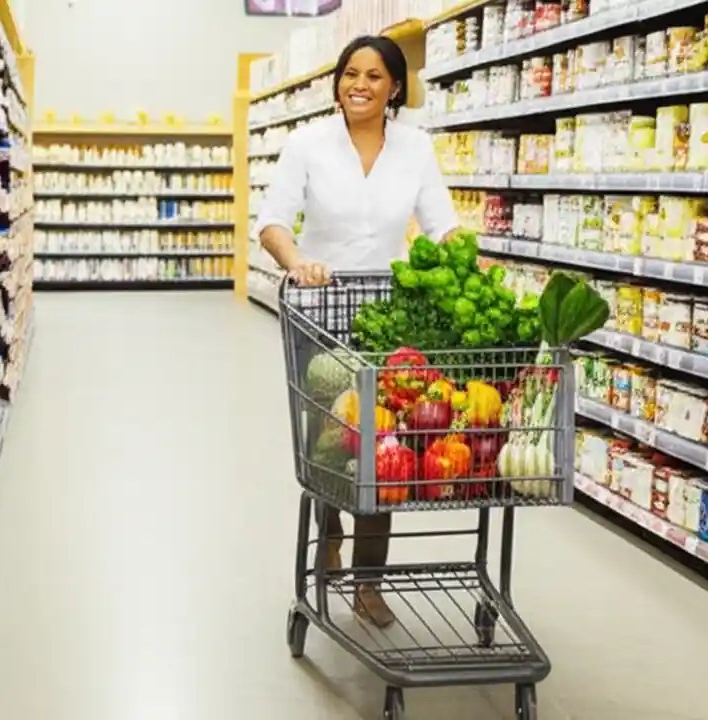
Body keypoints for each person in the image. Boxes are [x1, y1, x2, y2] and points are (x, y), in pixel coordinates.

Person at [256, 34, 460, 627]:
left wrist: (469, 257)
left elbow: (442, 224)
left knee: (382, 453)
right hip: (319, 314)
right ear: (337, 82)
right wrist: (297, 261)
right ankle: (329, 531)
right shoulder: (307, 144)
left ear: (395, 86)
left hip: (386, 323)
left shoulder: (416, 148)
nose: (360, 85)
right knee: (330, 448)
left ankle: (369, 582)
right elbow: (272, 220)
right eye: (350, 73)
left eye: (374, 76)